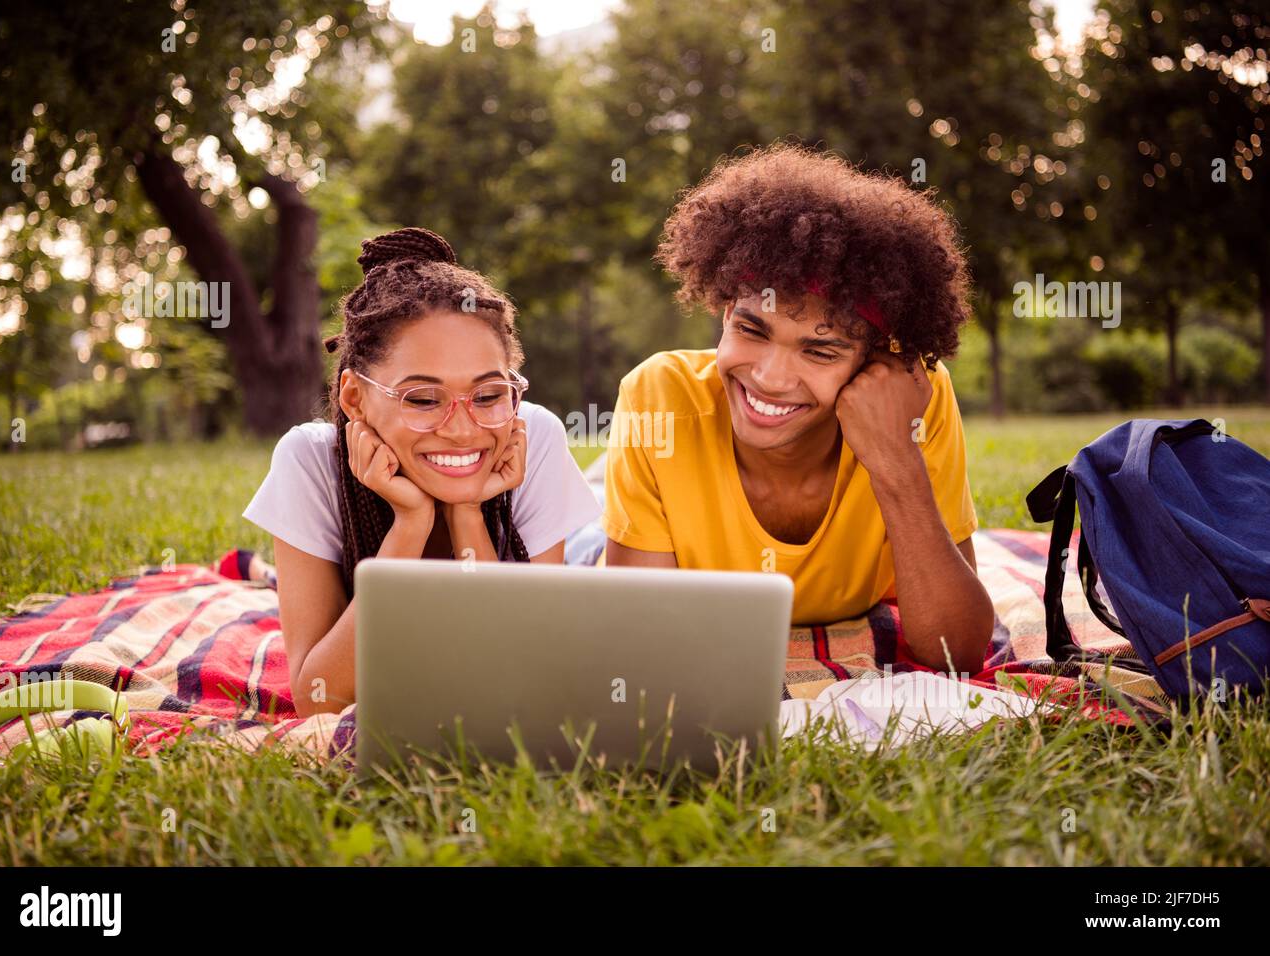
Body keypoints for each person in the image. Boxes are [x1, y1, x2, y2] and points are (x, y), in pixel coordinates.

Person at [603, 145, 994, 674]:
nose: (769, 377)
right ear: (723, 310)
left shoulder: (915, 400)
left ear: (878, 362)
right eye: (750, 329)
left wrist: (897, 460)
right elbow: (640, 640)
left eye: (820, 350)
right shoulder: (660, 395)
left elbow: (957, 655)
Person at [244, 228, 600, 716]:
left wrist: (468, 511)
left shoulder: (530, 435)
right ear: (354, 398)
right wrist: (409, 527)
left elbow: (518, 674)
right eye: (424, 399)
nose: (461, 430)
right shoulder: (309, 460)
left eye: (489, 395)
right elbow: (318, 700)